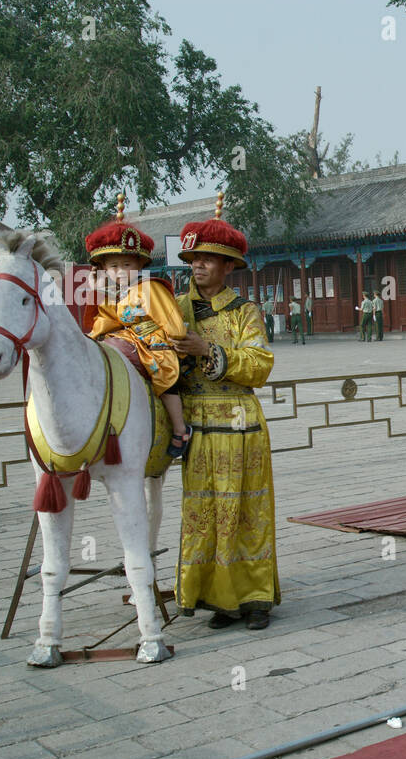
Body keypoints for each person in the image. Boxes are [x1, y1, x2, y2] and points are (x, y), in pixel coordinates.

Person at [172, 192, 281, 631]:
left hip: (239, 425)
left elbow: (259, 365)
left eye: (208, 259)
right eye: (193, 258)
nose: (198, 266)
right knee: (206, 513)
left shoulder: (244, 312)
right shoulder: (173, 310)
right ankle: (219, 599)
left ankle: (255, 600)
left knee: (246, 512)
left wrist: (208, 349)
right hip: (196, 425)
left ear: (229, 266)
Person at [84, 197, 192, 458]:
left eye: (127, 265)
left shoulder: (150, 288)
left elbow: (173, 323)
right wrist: (100, 293)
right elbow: (107, 322)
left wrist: (171, 341)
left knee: (164, 380)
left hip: (156, 346)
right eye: (113, 266)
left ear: (140, 264)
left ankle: (180, 429)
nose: (120, 271)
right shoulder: (119, 295)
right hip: (130, 342)